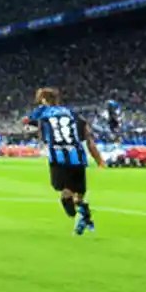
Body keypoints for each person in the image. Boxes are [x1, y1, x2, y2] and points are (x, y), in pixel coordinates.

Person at [25, 87, 106, 235]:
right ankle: (84, 215)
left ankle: (79, 215)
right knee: (79, 193)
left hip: (58, 156)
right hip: (78, 156)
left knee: (66, 194)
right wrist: (99, 160)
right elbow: (88, 137)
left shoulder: (42, 113)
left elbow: (29, 124)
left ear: (43, 99)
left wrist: (39, 132)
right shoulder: (73, 114)